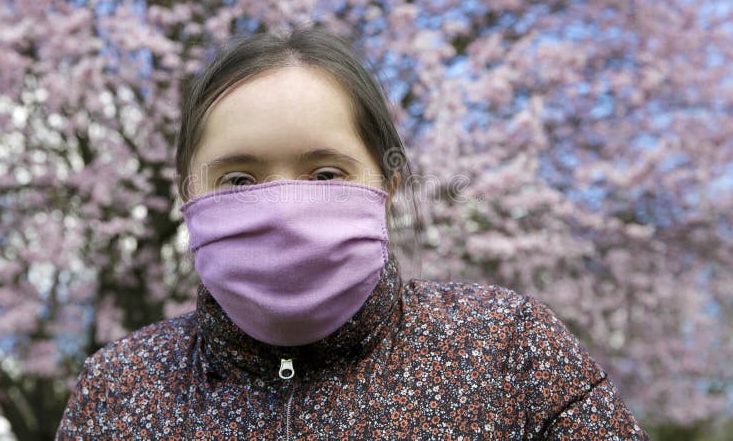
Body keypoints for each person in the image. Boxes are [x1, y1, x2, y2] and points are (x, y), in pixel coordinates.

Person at [56, 25, 649, 439]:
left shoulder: (507, 348)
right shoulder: (120, 387)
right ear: (188, 195)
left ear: (388, 186)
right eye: (238, 179)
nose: (284, 209)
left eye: (325, 173)